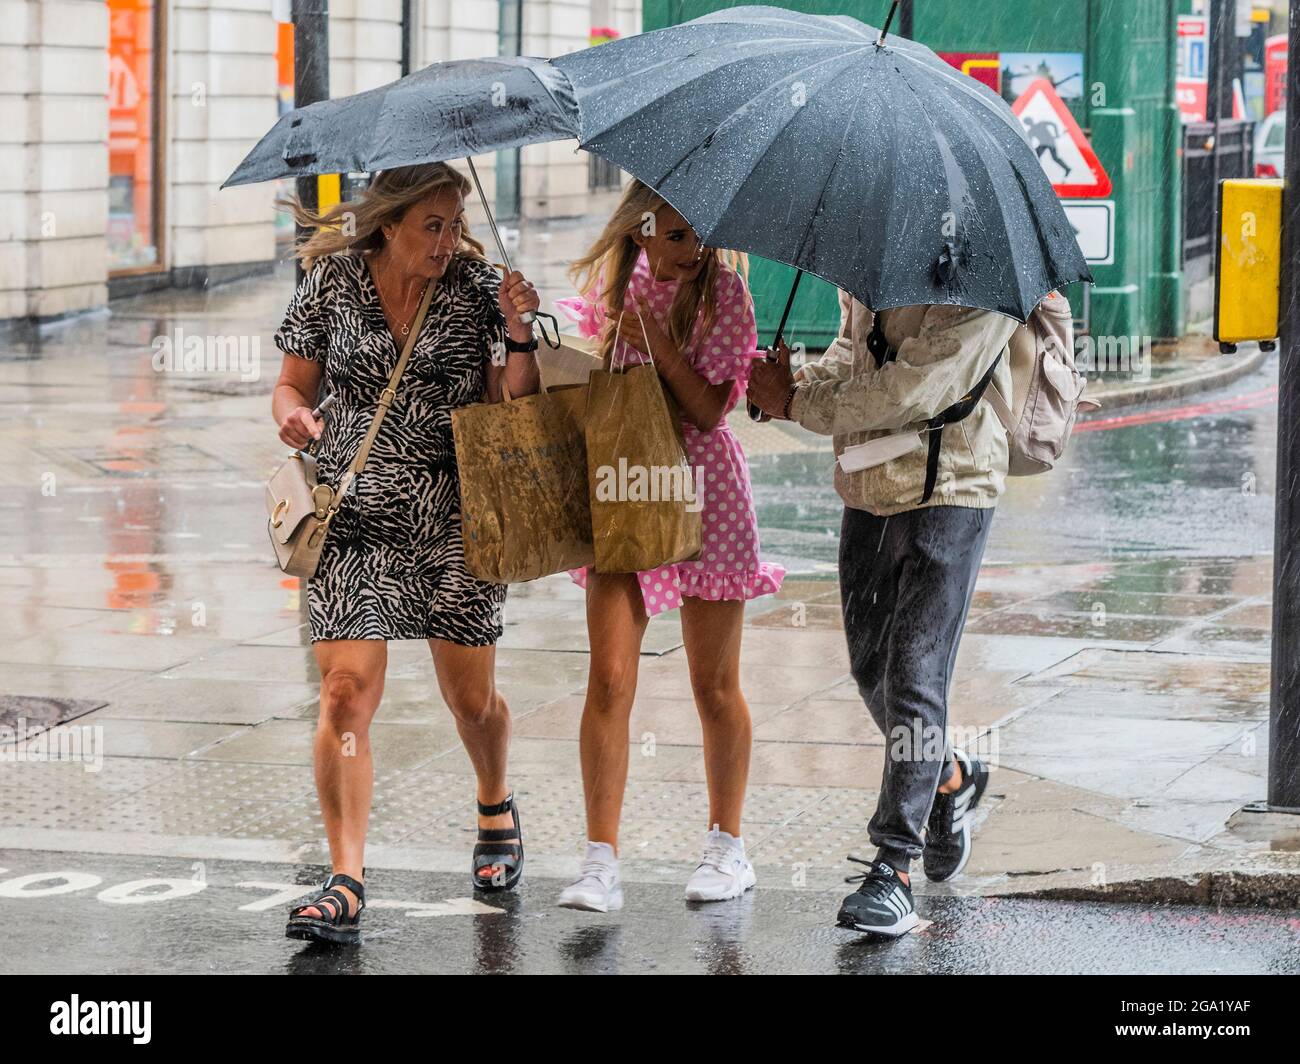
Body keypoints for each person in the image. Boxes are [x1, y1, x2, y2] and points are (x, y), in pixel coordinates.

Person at [271, 162, 541, 944]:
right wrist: (293, 419)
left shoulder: (475, 287)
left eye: (456, 223)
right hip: (351, 517)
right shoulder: (330, 283)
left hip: (455, 517)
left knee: (472, 701)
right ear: (389, 223)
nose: (448, 240)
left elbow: (514, 403)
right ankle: (346, 878)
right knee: (345, 695)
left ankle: (494, 799)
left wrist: (519, 329)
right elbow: (291, 385)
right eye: (433, 224)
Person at [747, 289, 1016, 938]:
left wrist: (796, 403)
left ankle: (893, 867)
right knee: (872, 674)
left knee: (915, 676)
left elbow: (918, 385)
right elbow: (856, 350)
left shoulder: (985, 277)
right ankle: (949, 776)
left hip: (951, 487)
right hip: (868, 483)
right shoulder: (882, 251)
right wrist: (791, 380)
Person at [551, 180, 785, 912]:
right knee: (610, 680)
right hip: (625, 490)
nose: (695, 250)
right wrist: (545, 336)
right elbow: (568, 385)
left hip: (705, 493)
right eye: (678, 235)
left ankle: (727, 845)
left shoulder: (726, 299)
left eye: (703, 234)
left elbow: (714, 409)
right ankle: (599, 860)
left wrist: (653, 340)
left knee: (714, 686)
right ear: (642, 229)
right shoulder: (606, 295)